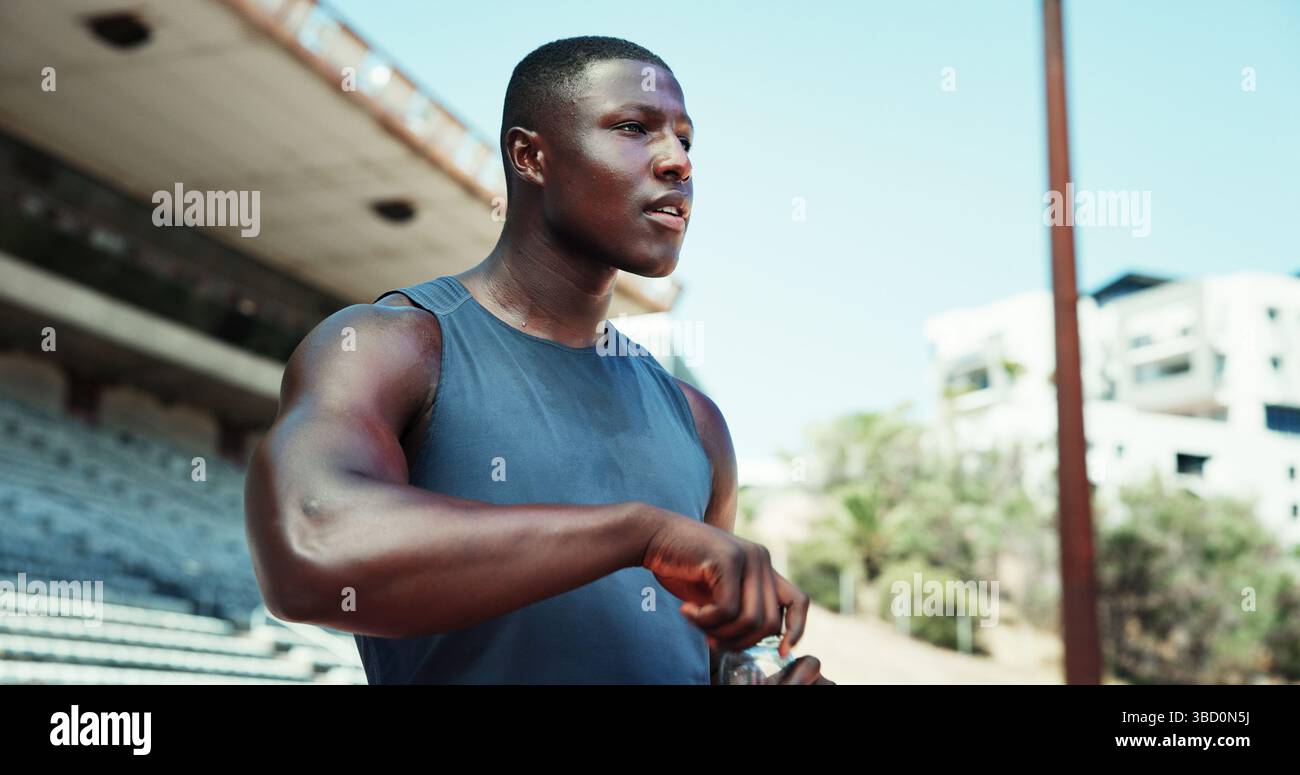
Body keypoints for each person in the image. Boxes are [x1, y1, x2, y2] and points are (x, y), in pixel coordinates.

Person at [244, 35, 832, 685]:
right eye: (635, 128)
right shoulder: (393, 344)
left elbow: (698, 653)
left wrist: (750, 676)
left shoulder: (697, 422)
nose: (677, 162)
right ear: (530, 156)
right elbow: (310, 551)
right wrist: (639, 535)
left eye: (686, 140)